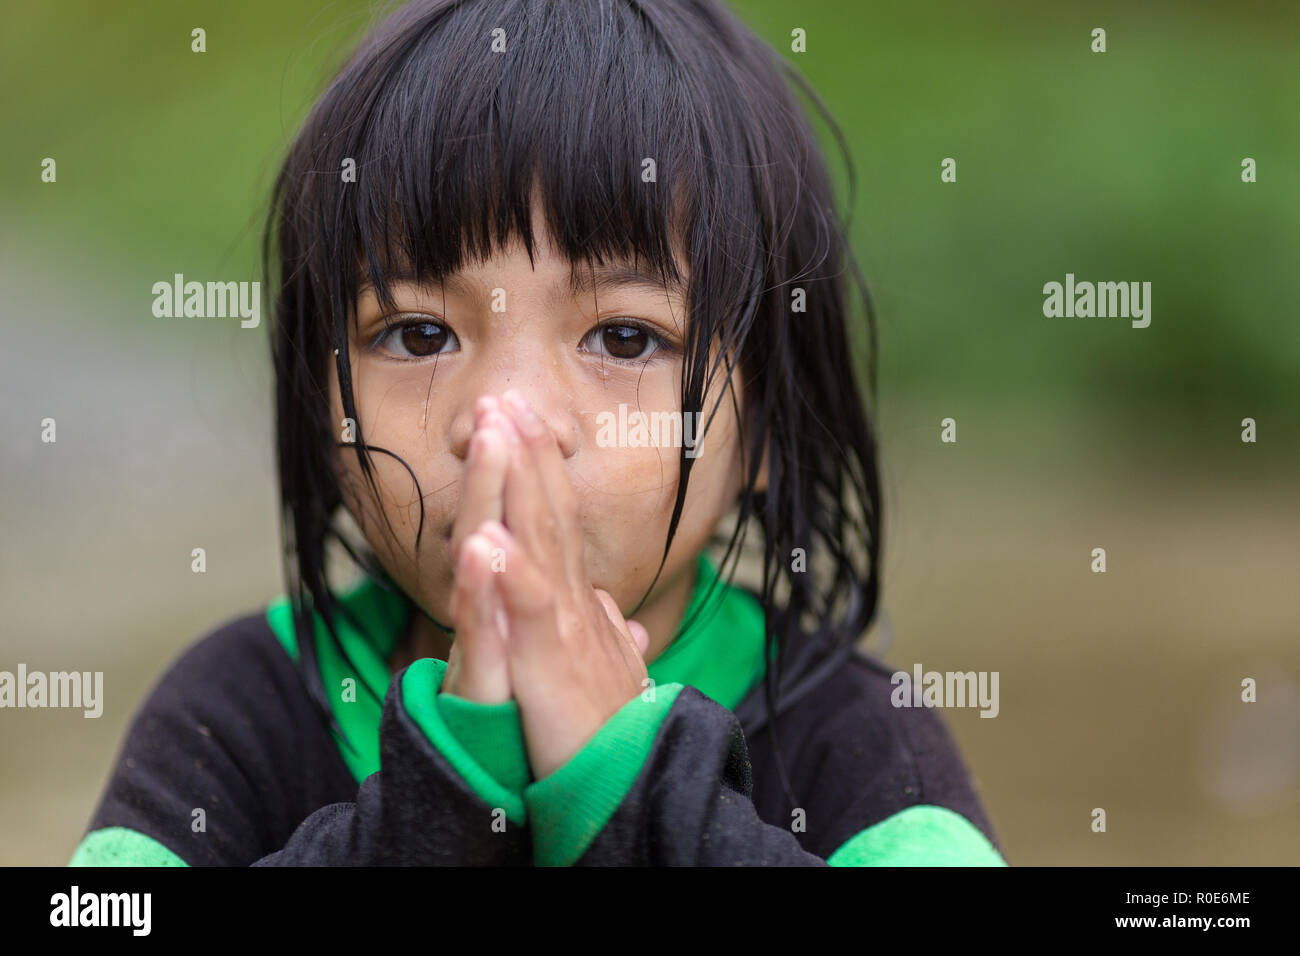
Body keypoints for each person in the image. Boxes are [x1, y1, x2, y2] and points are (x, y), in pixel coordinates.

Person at [70, 0, 1006, 866]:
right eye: (419, 335)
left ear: (765, 428)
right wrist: (439, 796)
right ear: (325, 416)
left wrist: (631, 787)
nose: (503, 421)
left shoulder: (855, 736)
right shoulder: (238, 710)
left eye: (626, 337)